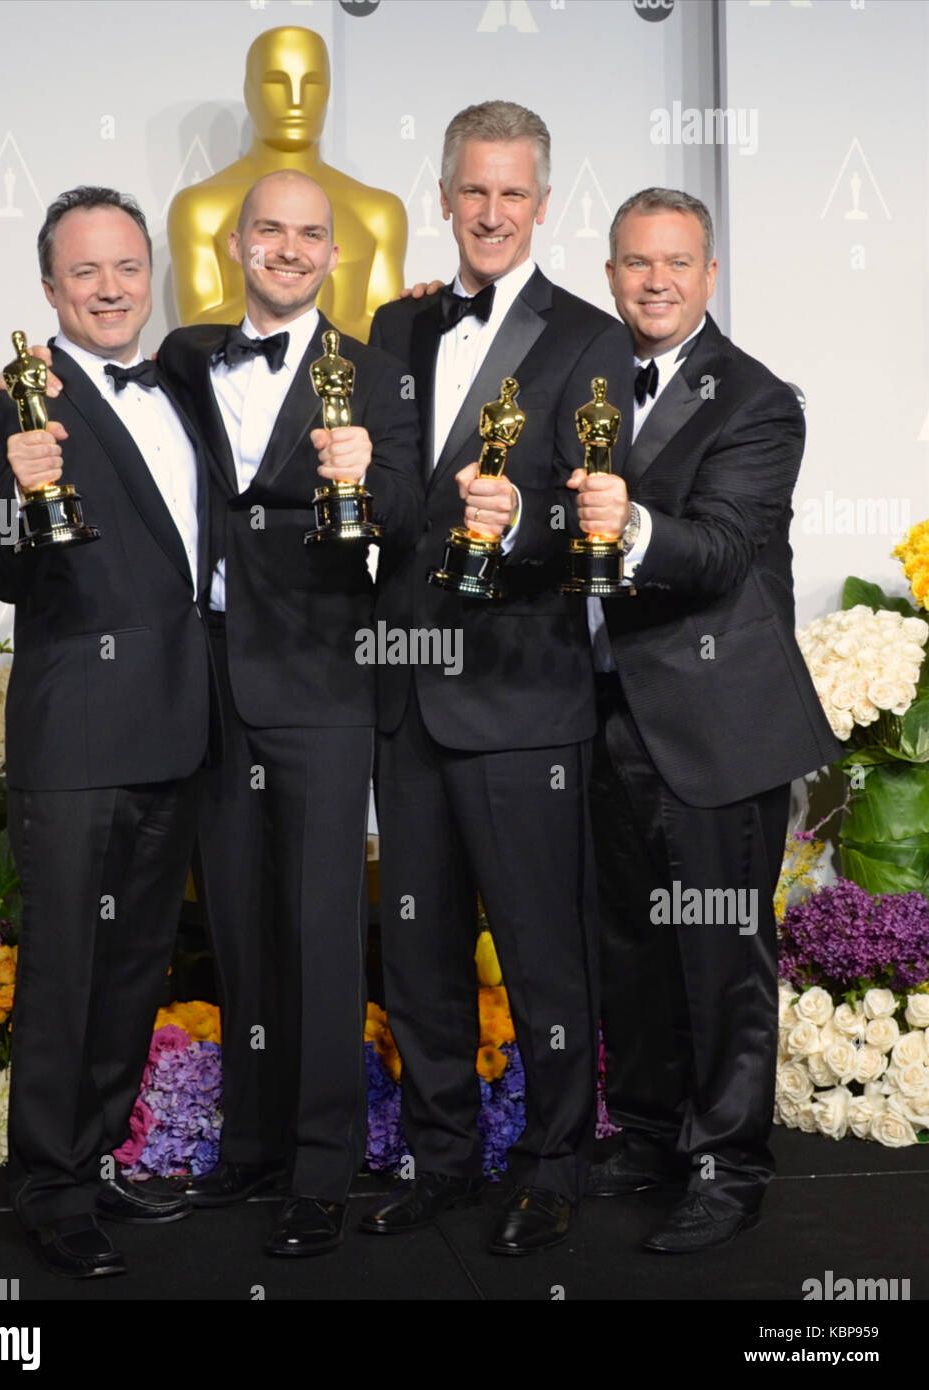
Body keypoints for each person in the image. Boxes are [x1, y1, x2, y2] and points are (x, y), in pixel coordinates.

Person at [361, 100, 633, 1255]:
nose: (489, 211)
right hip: (403, 688)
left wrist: (518, 521)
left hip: (522, 692)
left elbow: (595, 526)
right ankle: (440, 1154)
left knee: (539, 950)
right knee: (416, 948)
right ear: (441, 195)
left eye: (511, 192)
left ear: (541, 203)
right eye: (472, 190)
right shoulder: (393, 325)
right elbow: (377, 499)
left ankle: (551, 1163)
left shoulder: (588, 337)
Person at [157, 168, 423, 1256]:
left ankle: (322, 1166)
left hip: (319, 677)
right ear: (234, 242)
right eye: (269, 228)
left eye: (308, 234)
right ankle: (252, 1146)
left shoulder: (373, 374)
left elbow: (411, 511)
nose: (288, 247)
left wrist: (373, 477)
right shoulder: (180, 357)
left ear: (331, 253)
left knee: (318, 928)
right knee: (237, 920)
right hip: (204, 676)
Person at [576, 187, 839, 1252]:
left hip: (714, 726)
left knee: (720, 954)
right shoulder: (583, 381)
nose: (654, 281)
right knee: (629, 948)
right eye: (635, 262)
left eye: (675, 263)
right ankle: (644, 1136)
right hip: (600, 715)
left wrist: (629, 521)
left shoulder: (756, 400)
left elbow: (723, 547)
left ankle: (727, 1166)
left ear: (709, 275)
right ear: (608, 274)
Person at [0, 186, 215, 1279]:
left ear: (148, 271)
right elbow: (3, 572)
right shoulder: (12, 410)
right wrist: (23, 499)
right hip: (76, 740)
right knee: (68, 969)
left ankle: (102, 1153)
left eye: (126, 267)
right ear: (49, 290)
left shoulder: (179, 387)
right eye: (85, 273)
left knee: (132, 967)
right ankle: (50, 1187)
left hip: (176, 728)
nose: (111, 288)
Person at [167, 25, 406, 338]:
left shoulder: (378, 212)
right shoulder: (200, 209)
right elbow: (198, 333)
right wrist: (298, 294)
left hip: (349, 384)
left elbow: (386, 337)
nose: (296, 100)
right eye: (276, 83)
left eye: (313, 83)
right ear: (249, 90)